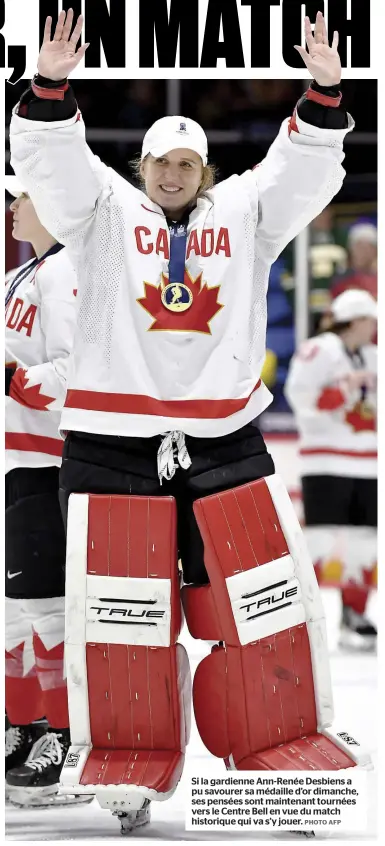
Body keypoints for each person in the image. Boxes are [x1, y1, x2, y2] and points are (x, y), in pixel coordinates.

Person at [11, 9, 368, 834]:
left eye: (185, 163)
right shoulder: (101, 215)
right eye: (158, 163)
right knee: (121, 618)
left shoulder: (244, 217)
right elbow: (54, 162)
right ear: (138, 167)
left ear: (203, 168)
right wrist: (52, 88)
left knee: (261, 607)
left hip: (221, 444)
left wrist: (320, 91)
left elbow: (297, 172)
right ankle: (126, 761)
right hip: (112, 447)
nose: (170, 174)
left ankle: (277, 754)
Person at [4, 178, 86, 807]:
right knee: (14, 615)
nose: (12, 207)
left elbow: (72, 373)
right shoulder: (26, 273)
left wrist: (8, 378)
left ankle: (61, 734)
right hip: (14, 459)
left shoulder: (62, 273)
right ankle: (22, 724)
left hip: (44, 461)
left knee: (46, 609)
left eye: (22, 195)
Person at [285, 289, 377, 650]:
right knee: (318, 542)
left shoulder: (372, 354)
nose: (373, 326)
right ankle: (302, 617)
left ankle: (354, 616)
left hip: (369, 463)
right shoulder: (320, 349)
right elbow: (300, 396)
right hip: (325, 461)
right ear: (354, 320)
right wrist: (342, 391)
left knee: (365, 545)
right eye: (369, 319)